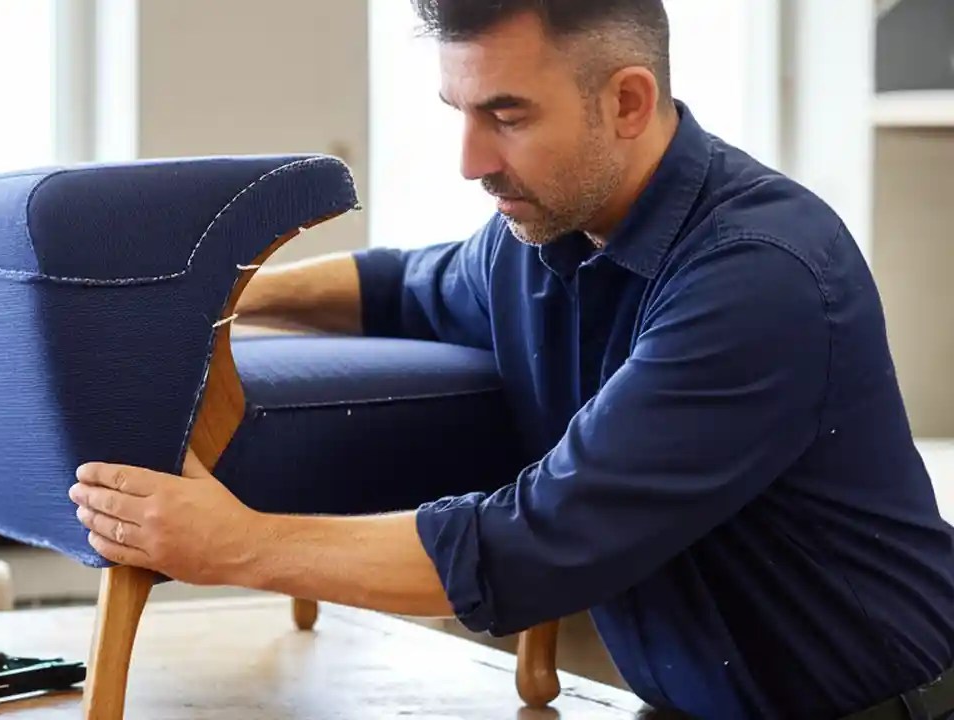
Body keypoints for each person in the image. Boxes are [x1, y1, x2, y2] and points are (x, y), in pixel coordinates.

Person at [67, 1, 954, 717]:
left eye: (508, 116)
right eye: (460, 112)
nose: (470, 161)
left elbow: (533, 545)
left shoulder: (761, 274)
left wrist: (237, 545)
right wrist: (218, 299)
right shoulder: (539, 238)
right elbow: (404, 285)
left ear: (629, 102)